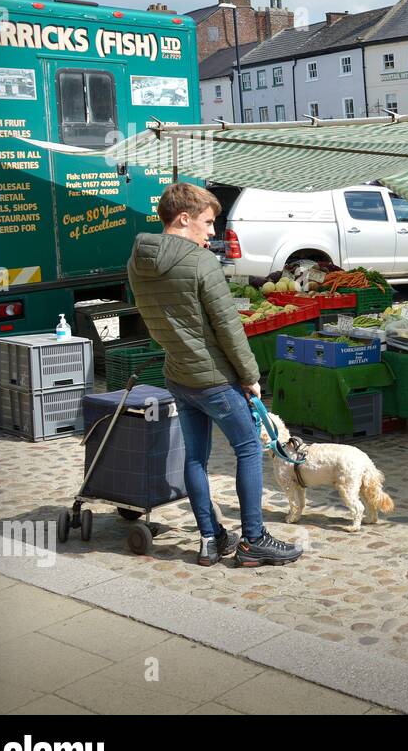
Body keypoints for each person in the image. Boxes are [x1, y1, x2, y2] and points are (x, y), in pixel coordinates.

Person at [127, 182, 302, 567]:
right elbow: (228, 327)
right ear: (184, 218)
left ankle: (211, 538)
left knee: (195, 459)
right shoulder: (201, 263)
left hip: (177, 373)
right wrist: (250, 375)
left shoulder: (137, 261)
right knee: (249, 450)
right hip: (215, 380)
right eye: (207, 223)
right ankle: (253, 539)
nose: (211, 232)